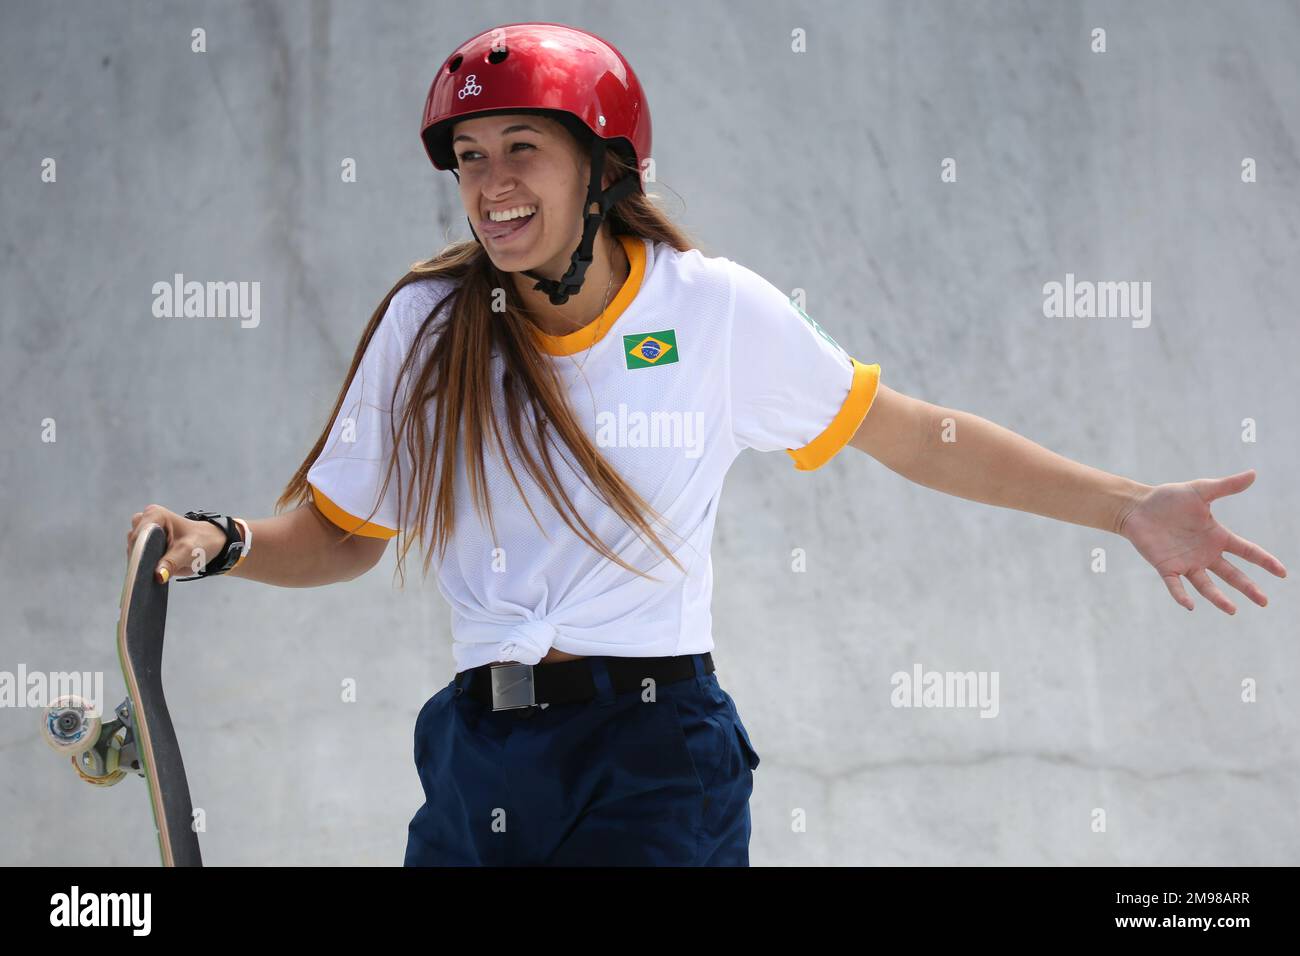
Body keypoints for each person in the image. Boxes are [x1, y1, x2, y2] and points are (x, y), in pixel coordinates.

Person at [126, 22, 1287, 867]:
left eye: (520, 148)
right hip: (479, 753)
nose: (489, 184)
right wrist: (220, 540)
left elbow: (917, 437)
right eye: (469, 157)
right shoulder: (430, 323)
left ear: (601, 166)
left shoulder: (712, 310)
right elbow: (338, 534)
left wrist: (1125, 504)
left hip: (652, 752)